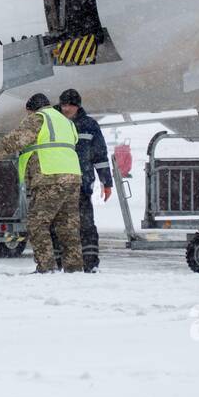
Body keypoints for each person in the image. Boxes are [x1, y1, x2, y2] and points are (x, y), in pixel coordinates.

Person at [0, 92, 83, 273]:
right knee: (67, 226)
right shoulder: (66, 121)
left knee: (37, 224)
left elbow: (14, 141)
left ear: (32, 109)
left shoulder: (39, 118)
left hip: (50, 177)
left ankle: (46, 267)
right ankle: (74, 268)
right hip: (72, 177)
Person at [57, 88, 112, 272]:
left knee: (86, 225)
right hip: (57, 184)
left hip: (81, 184)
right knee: (57, 225)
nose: (66, 109)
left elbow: (100, 156)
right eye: (64, 105)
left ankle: (90, 263)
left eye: (70, 105)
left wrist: (107, 182)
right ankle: (58, 263)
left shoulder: (89, 125)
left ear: (77, 106)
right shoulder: (54, 123)